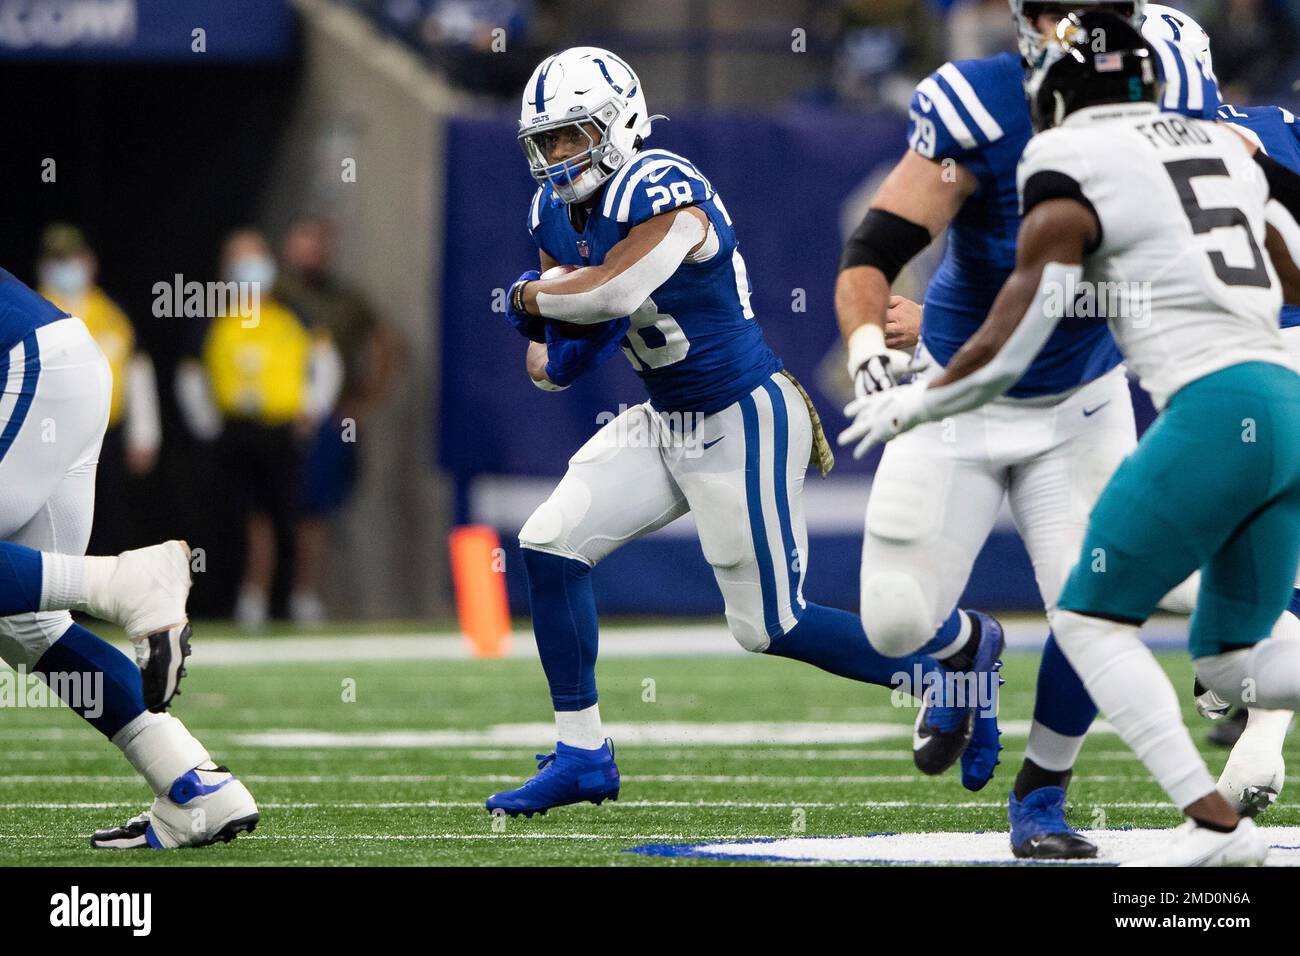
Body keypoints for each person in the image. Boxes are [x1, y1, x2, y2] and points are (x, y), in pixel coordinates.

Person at [485, 46, 1005, 817]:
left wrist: (534, 300)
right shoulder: (551, 214)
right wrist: (556, 352)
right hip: (664, 418)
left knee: (772, 624)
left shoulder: (664, 183)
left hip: (741, 413)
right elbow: (584, 331)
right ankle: (583, 752)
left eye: (576, 134)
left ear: (621, 121)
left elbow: (616, 287)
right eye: (550, 141)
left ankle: (952, 661)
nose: (562, 155)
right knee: (550, 543)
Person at [842, 10, 1300, 865]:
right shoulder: (1217, 142)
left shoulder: (1085, 154)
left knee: (1093, 615)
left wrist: (920, 400)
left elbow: (1021, 327)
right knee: (900, 621)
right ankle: (969, 654)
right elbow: (883, 244)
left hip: (1109, 403)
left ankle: (1082, 801)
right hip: (1265, 400)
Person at [0, 261, 256, 849]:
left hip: (30, 365)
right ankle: (195, 785)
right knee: (27, 623)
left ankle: (125, 582)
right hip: (58, 361)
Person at [183, 229, 342, 629]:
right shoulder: (216, 320)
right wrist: (207, 424)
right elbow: (191, 375)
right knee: (247, 519)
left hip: (284, 431)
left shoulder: (293, 314)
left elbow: (325, 363)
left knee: (298, 515)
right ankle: (251, 599)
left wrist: (313, 409)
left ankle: (301, 598)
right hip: (237, 433)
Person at [276, 216, 399, 624]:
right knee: (263, 509)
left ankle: (304, 596)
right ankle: (255, 597)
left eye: (320, 242)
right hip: (274, 416)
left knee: (316, 508)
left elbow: (388, 344)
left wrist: (364, 401)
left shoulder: (344, 299)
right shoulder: (270, 293)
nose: (312, 250)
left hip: (327, 416)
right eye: (304, 240)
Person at [36, 223, 161, 554]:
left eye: (73, 258)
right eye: (57, 260)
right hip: (49, 434)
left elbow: (137, 371)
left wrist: (144, 433)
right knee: (49, 519)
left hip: (107, 434)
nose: (66, 268)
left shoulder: (112, 315)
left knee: (106, 516)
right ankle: (51, 598)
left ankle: (99, 600)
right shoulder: (35, 310)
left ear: (90, 261)